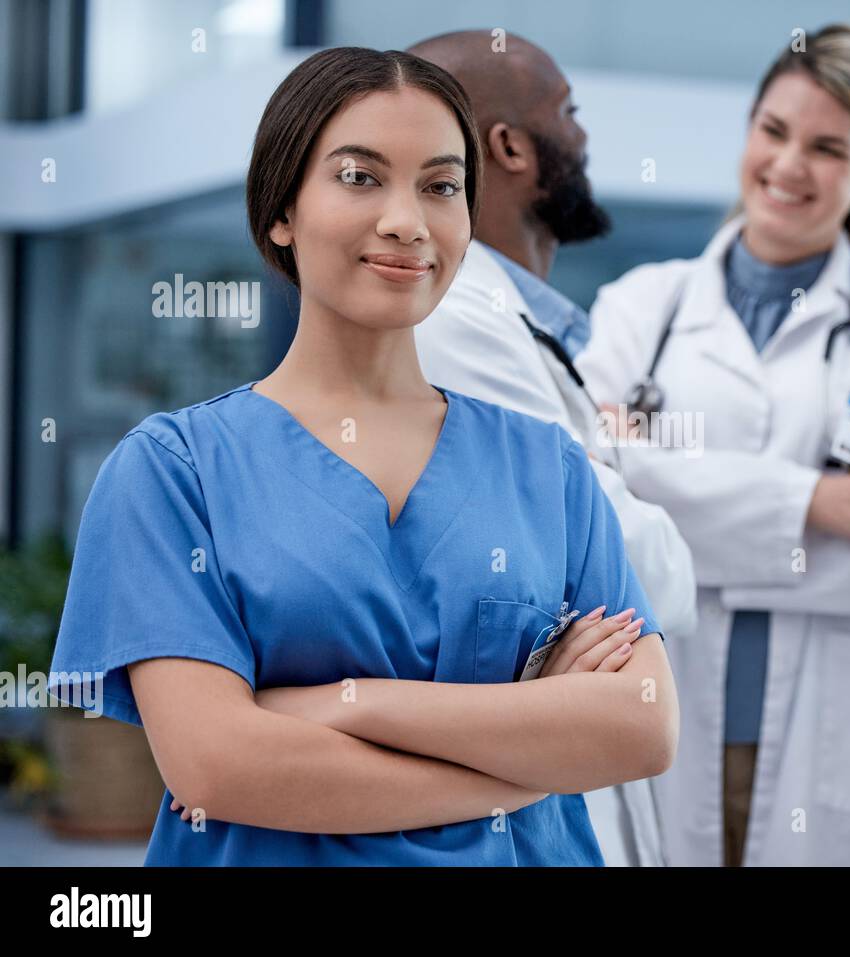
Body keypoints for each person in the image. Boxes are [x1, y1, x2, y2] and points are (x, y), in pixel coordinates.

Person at [46, 46, 677, 866]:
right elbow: (219, 765)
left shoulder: (547, 468)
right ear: (281, 212)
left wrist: (348, 704)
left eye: (442, 186)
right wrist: (526, 763)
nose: (408, 221)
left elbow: (641, 724)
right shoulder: (174, 472)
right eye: (359, 177)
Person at [578, 24, 850, 866]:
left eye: (828, 147)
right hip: (662, 708)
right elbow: (592, 501)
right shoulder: (642, 308)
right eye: (774, 130)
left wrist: (669, 491)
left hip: (834, 733)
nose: (789, 165)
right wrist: (817, 503)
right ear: (748, 129)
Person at [404, 30, 698, 866]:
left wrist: (609, 473)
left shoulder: (517, 321)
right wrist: (620, 484)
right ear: (511, 146)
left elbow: (597, 539)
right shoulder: (459, 317)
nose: (585, 135)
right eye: (568, 111)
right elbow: (648, 574)